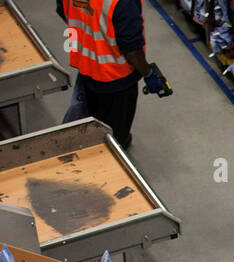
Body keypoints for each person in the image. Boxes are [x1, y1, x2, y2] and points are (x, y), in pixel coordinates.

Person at [57, 0, 171, 150]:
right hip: (116, 79)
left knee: (88, 114)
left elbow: (62, 10)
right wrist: (149, 74)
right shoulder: (124, 2)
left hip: (86, 64)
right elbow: (131, 51)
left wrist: (88, 32)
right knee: (115, 136)